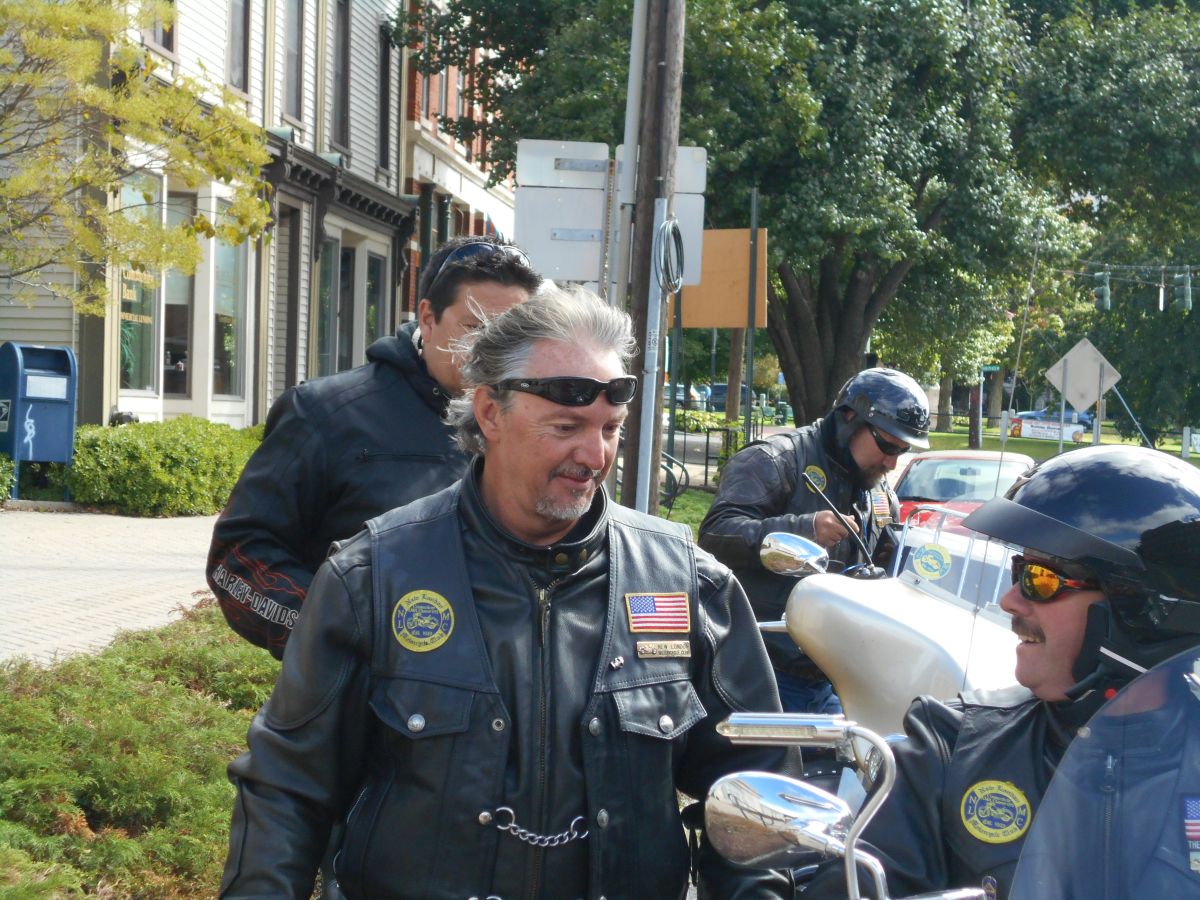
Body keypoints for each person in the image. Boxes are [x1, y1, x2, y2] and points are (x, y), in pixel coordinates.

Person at [218, 286, 800, 899]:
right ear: (490, 413)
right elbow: (286, 788)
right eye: (567, 426)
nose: (593, 454)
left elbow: (755, 792)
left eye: (611, 428)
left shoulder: (687, 585)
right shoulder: (373, 576)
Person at [802, 444, 1200, 899]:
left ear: (1139, 611)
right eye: (1019, 570)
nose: (1011, 600)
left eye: (1042, 580)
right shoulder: (952, 749)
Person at [207, 236, 541, 659]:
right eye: (476, 328)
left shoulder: (540, 422)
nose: (495, 349)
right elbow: (238, 555)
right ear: (428, 317)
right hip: (362, 707)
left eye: (511, 333)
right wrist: (336, 634)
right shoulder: (325, 414)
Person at [697, 367, 930, 713]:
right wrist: (804, 528)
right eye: (886, 444)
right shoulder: (776, 461)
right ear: (849, 419)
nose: (892, 462)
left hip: (842, 670)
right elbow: (715, 534)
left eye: (903, 450)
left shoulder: (878, 492)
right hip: (763, 667)